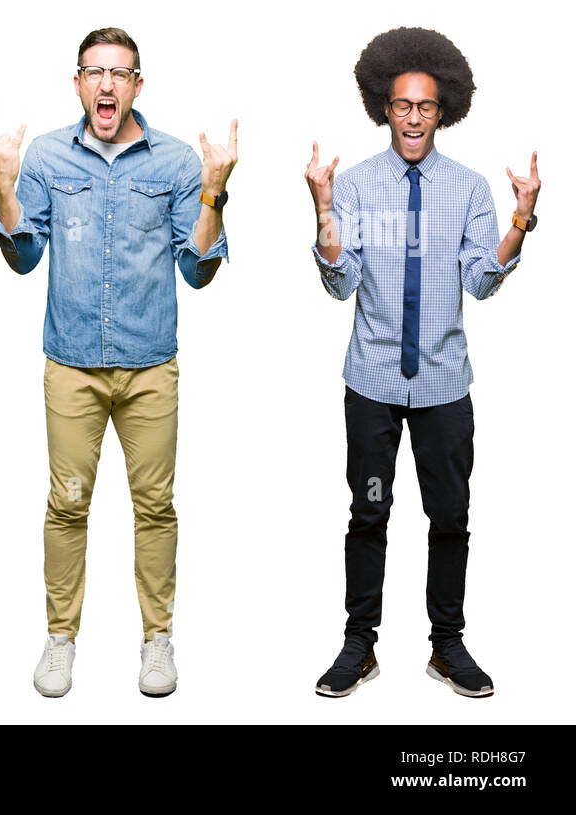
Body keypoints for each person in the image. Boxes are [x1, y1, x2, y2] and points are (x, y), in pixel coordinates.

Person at [0, 27, 236, 698]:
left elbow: (200, 271)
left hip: (151, 365)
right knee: (67, 504)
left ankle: (158, 638)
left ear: (137, 86)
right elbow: (22, 256)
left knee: (155, 505)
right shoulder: (43, 157)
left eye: (119, 73)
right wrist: (3, 187)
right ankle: (60, 638)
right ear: (77, 83)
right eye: (94, 71)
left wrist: (213, 191)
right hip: (71, 365)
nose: (106, 84)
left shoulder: (179, 162)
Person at [307, 27, 539, 699]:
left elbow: (481, 280)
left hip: (443, 386)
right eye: (402, 104)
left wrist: (520, 221)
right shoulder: (351, 186)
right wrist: (322, 206)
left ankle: (447, 643)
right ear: (384, 106)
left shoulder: (468, 190)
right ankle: (360, 643)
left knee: (450, 516)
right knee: (369, 512)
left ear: (445, 111)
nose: (412, 117)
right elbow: (340, 280)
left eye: (426, 106)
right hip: (372, 384)